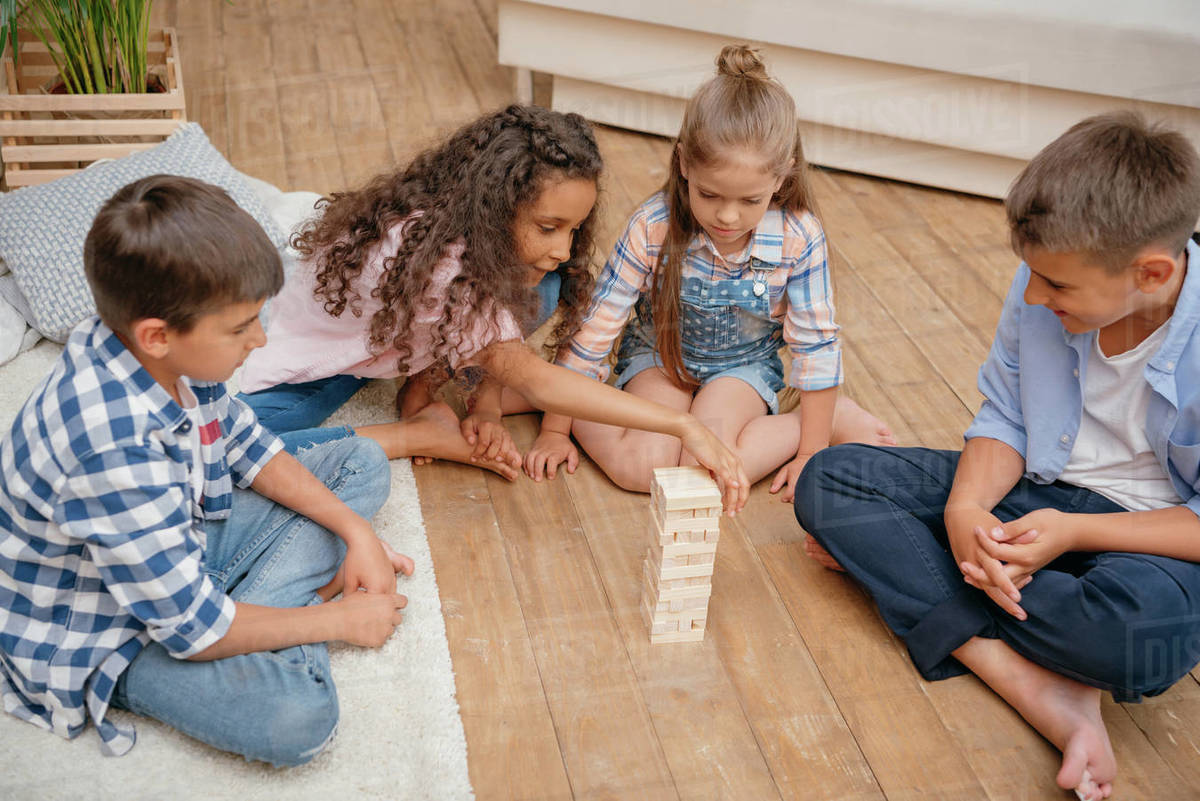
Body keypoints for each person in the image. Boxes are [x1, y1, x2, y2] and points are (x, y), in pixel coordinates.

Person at [794, 112, 1200, 800]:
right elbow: (1007, 416)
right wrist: (965, 505)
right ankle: (1025, 677)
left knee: (1141, 638)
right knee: (834, 480)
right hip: (1029, 496)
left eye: (1058, 286)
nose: (1033, 295)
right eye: (1031, 275)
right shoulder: (1041, 280)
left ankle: (920, 578)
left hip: (1148, 543)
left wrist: (1071, 531)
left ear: (1152, 272)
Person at [0, 175, 412, 765]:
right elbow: (192, 633)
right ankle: (282, 608)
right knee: (301, 719)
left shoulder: (167, 358)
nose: (260, 339)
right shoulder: (110, 449)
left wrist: (358, 533)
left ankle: (264, 603)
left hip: (178, 542)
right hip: (109, 630)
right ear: (157, 336)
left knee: (360, 463)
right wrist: (337, 622)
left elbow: (248, 446)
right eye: (241, 327)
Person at [240, 104, 748, 509]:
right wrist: (683, 424)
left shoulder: (479, 249)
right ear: (492, 207)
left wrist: (486, 404)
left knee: (544, 285)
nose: (565, 249)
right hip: (315, 363)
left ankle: (421, 388)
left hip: (395, 341)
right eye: (549, 228)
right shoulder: (434, 259)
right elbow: (536, 378)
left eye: (573, 228)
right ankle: (418, 433)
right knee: (237, 453)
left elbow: (501, 338)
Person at [526, 45, 893, 498]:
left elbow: (816, 347)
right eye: (710, 194)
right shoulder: (652, 226)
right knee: (641, 469)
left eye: (750, 201)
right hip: (660, 358)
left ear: (782, 178)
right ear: (684, 163)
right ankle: (549, 394)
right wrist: (556, 430)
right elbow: (596, 330)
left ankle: (824, 419)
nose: (728, 217)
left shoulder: (800, 237)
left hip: (742, 369)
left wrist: (809, 452)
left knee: (707, 471)